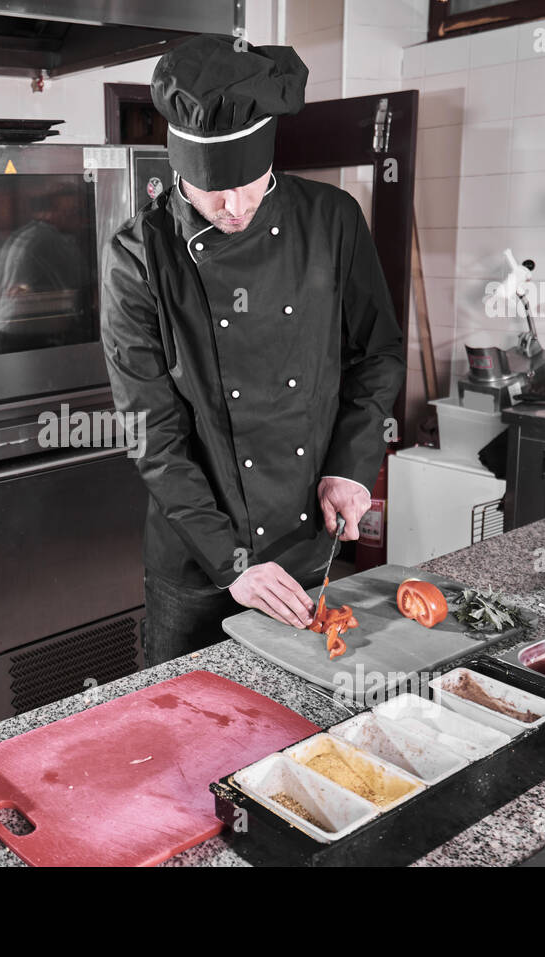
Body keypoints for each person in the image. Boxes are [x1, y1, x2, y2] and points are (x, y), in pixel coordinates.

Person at [100, 35, 405, 666]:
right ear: (178, 169)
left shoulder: (332, 220)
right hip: (197, 560)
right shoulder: (138, 255)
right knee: (191, 735)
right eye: (214, 193)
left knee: (302, 728)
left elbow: (375, 354)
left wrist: (351, 466)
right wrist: (229, 561)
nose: (235, 208)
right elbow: (150, 430)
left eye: (250, 185)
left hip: (305, 547)